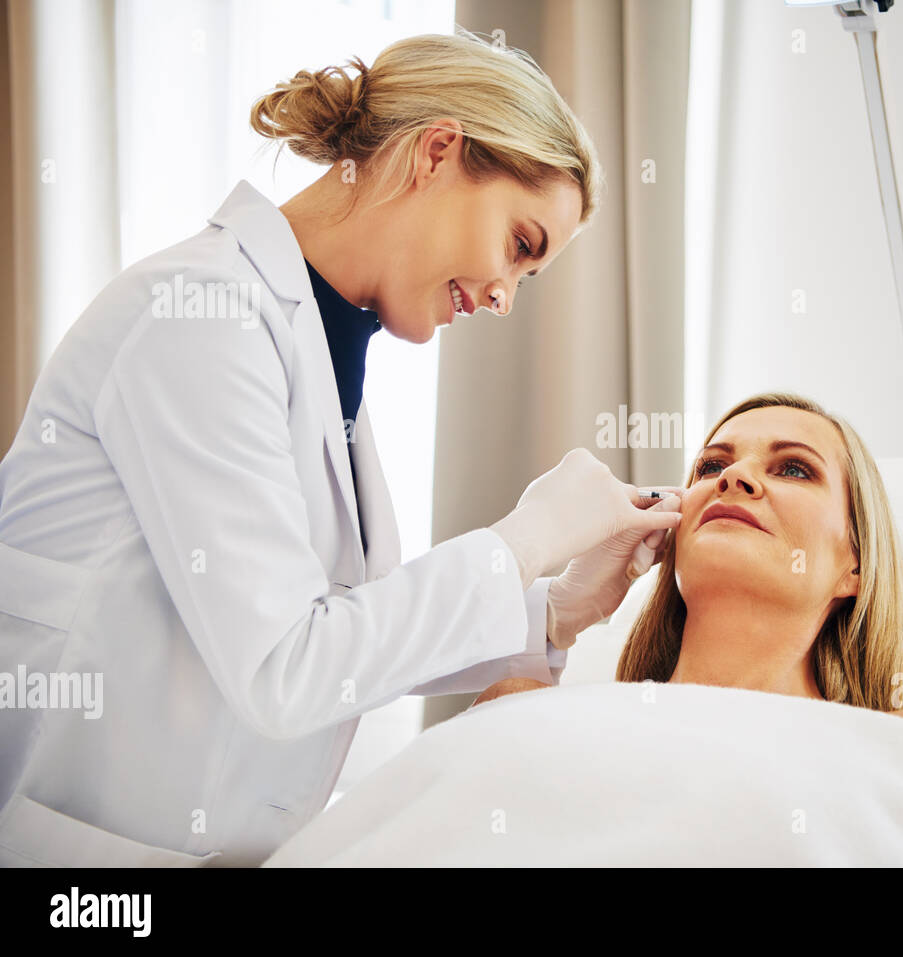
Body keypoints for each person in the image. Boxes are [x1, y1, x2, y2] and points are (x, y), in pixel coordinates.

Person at [0, 30, 681, 867]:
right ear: (438, 152)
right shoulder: (201, 315)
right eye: (520, 244)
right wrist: (528, 533)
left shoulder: (321, 356)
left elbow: (350, 639)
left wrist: (557, 608)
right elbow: (289, 667)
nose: (506, 296)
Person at [472, 392, 903, 763]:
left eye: (795, 469)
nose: (732, 479)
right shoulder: (523, 712)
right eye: (711, 465)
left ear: (856, 564)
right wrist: (560, 611)